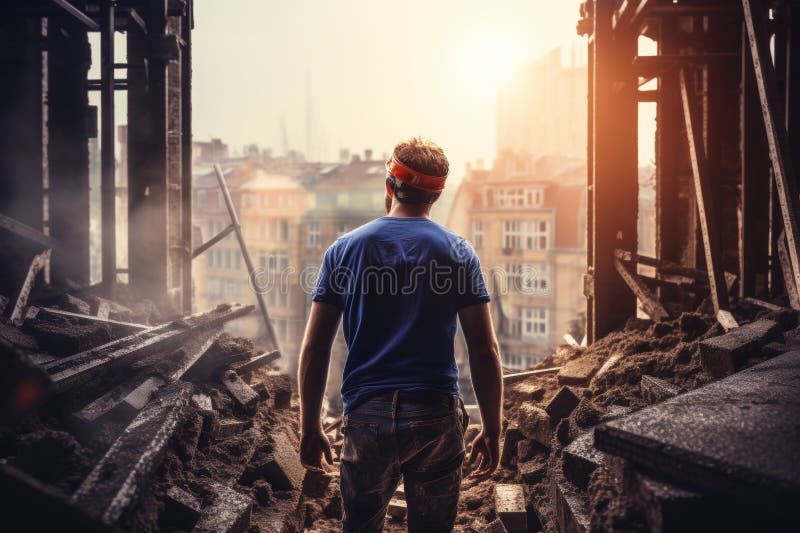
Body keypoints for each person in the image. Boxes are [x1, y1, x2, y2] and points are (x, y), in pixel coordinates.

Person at [297, 137, 503, 532]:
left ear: (389, 185)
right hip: (434, 413)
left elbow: (315, 346)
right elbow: (484, 349)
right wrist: (492, 430)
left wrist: (310, 427)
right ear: (436, 196)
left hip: (367, 414)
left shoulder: (344, 250)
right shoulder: (458, 252)